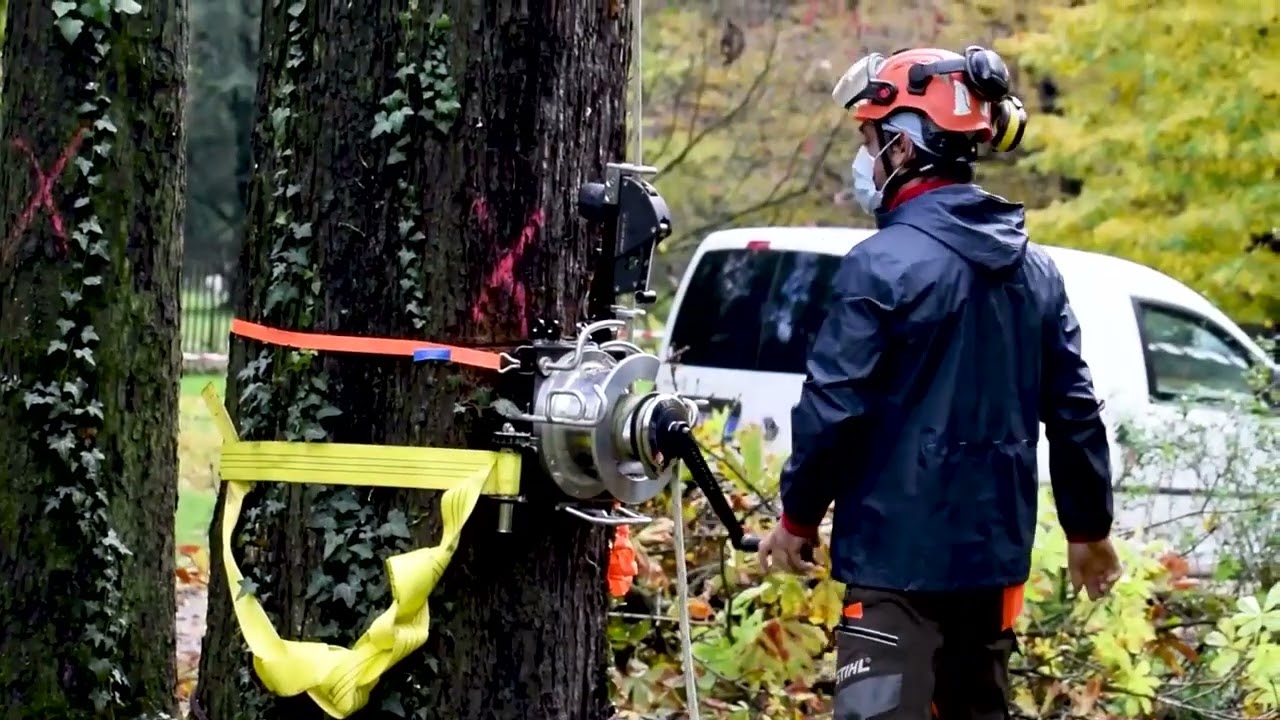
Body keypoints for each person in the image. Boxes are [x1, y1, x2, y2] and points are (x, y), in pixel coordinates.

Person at [756, 47, 1121, 720]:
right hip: (991, 564)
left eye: (870, 140)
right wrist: (1088, 528)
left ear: (903, 146)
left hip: (891, 566)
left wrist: (797, 519)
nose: (866, 159)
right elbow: (1074, 411)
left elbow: (834, 411)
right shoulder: (1037, 272)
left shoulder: (878, 266)